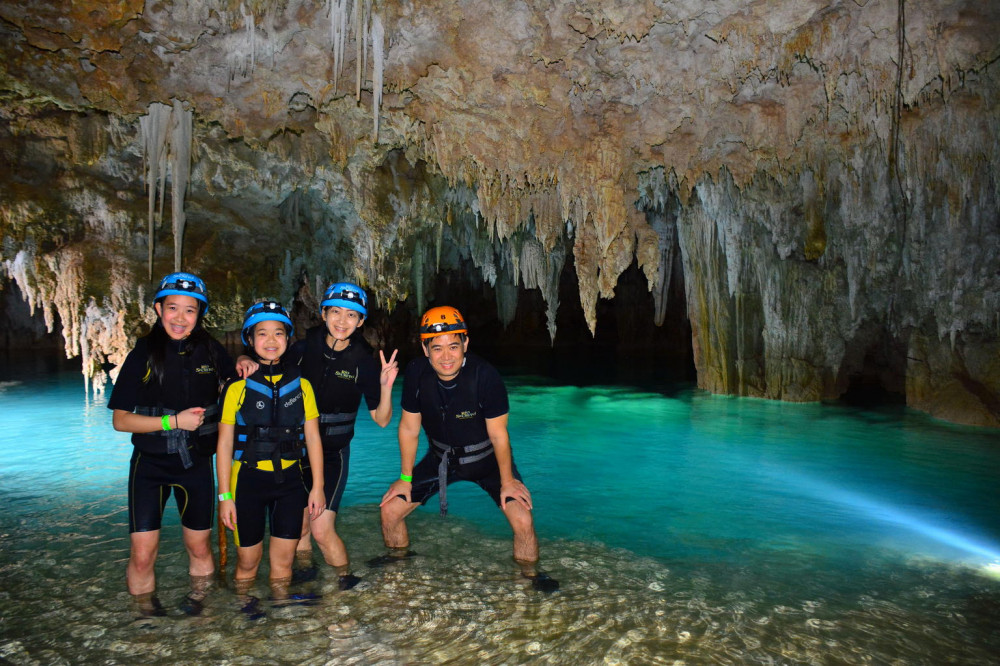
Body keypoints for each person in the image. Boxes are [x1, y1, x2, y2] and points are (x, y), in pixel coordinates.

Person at [375, 306, 558, 591]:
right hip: (441, 457)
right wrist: (405, 478)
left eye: (453, 346)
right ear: (425, 349)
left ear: (466, 345)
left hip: (486, 458)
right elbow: (409, 429)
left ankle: (530, 577)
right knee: (390, 510)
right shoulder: (416, 374)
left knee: (522, 518)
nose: (446, 356)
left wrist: (508, 482)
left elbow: (499, 435)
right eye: (437, 348)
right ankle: (399, 565)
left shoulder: (485, 376)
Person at [108, 272, 250, 616]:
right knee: (143, 552)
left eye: (190, 310)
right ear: (159, 309)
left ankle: (198, 608)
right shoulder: (144, 353)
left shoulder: (210, 349)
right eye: (173, 308)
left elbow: (236, 381)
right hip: (150, 464)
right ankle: (145, 617)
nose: (181, 318)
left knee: (200, 547)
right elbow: (120, 420)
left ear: (199, 314)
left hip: (196, 463)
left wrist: (244, 362)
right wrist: (173, 422)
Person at [283, 282, 398, 590]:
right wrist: (245, 361)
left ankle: (346, 581)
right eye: (336, 312)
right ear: (323, 314)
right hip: (294, 448)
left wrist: (385, 388)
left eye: (352, 315)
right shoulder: (303, 349)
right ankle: (306, 576)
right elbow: (271, 374)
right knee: (298, 526)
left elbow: (382, 420)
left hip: (333, 452)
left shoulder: (362, 360)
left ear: (361, 322)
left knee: (321, 528)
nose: (342, 321)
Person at [216, 301, 325, 607]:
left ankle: (280, 610)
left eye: (279, 333)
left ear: (288, 339)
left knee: (283, 565)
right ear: (250, 340)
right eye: (262, 334)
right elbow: (224, 445)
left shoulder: (302, 386)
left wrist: (316, 486)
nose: (271, 340)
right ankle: (245, 611)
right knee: (248, 563)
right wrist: (225, 496)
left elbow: (313, 439)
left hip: (290, 483)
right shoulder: (237, 388)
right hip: (247, 481)